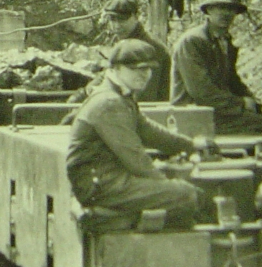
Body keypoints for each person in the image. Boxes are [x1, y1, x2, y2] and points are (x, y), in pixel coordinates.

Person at [65, 40, 203, 228]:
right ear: (116, 68)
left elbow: (150, 132)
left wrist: (191, 145)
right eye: (135, 69)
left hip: (105, 178)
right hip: (100, 185)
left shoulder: (120, 95)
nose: (144, 75)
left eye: (147, 69)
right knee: (186, 194)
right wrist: (166, 186)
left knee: (177, 185)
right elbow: (134, 157)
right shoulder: (109, 102)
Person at [170, 0, 262, 136]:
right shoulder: (193, 42)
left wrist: (256, 105)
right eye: (219, 7)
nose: (225, 13)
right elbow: (201, 92)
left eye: (230, 9)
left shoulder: (225, 42)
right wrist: (240, 104)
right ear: (208, 11)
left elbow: (232, 81)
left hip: (217, 112)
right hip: (193, 115)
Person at [82, 0, 170, 103]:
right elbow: (109, 73)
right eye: (113, 20)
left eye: (122, 20)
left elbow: (144, 94)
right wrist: (90, 89)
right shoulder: (119, 40)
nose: (117, 25)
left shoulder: (151, 48)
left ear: (136, 17)